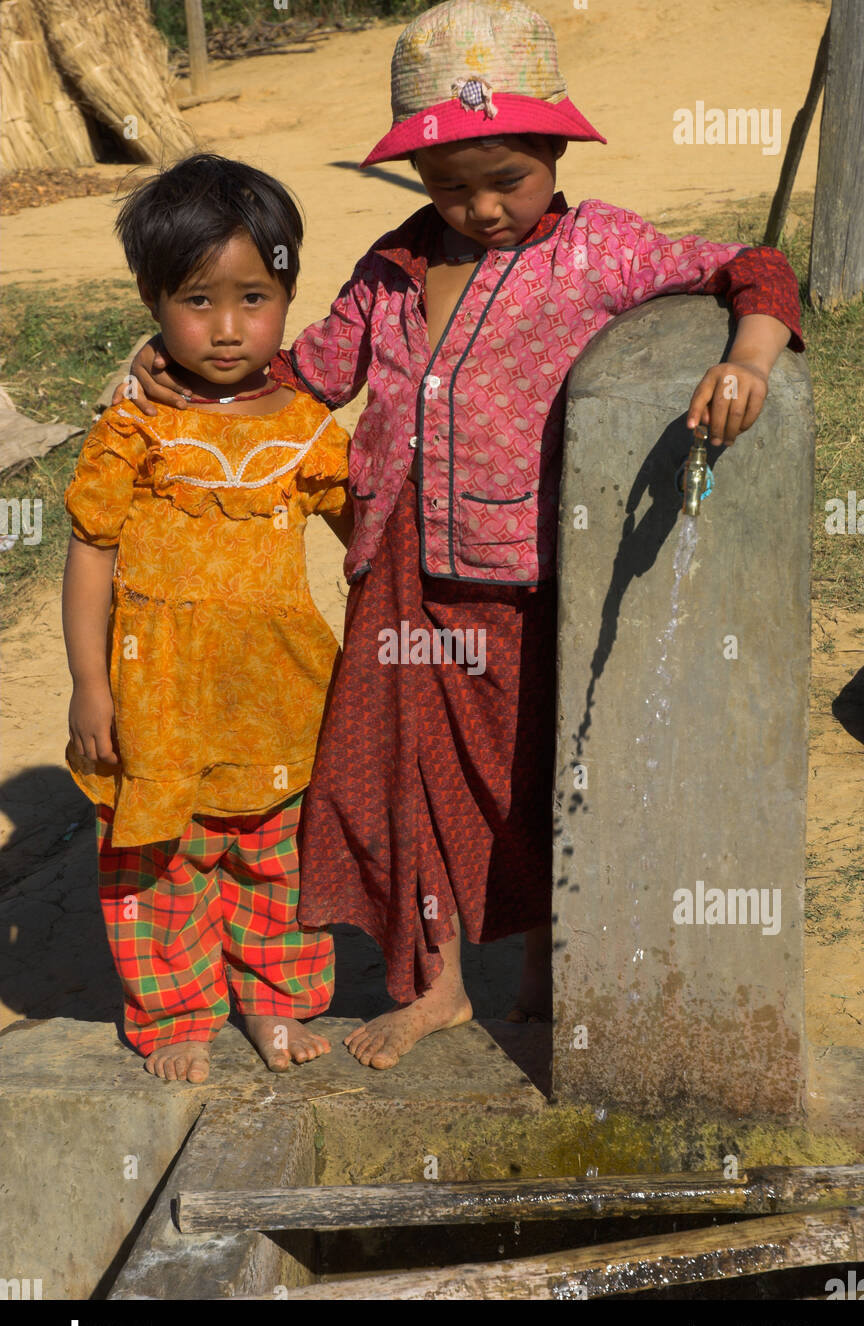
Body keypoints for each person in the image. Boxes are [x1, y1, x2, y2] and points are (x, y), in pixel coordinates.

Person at [121, 1, 805, 1071]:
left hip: (519, 572)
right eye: (451, 187)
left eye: (508, 180)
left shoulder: (597, 254)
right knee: (404, 780)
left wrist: (751, 361)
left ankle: (541, 976)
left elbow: (752, 267)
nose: (481, 208)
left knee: (527, 777)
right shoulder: (392, 269)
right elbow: (305, 376)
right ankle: (434, 987)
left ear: (555, 151)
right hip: (394, 565)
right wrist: (182, 373)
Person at [64, 154, 352, 1083]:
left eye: (254, 298)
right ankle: (180, 1014)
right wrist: (88, 682)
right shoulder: (135, 425)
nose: (227, 330)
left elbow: (369, 536)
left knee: (278, 861)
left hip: (281, 695)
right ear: (153, 303)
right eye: (197, 300)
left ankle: (275, 1008)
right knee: (161, 865)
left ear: (287, 291)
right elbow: (92, 550)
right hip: (158, 698)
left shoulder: (307, 426)